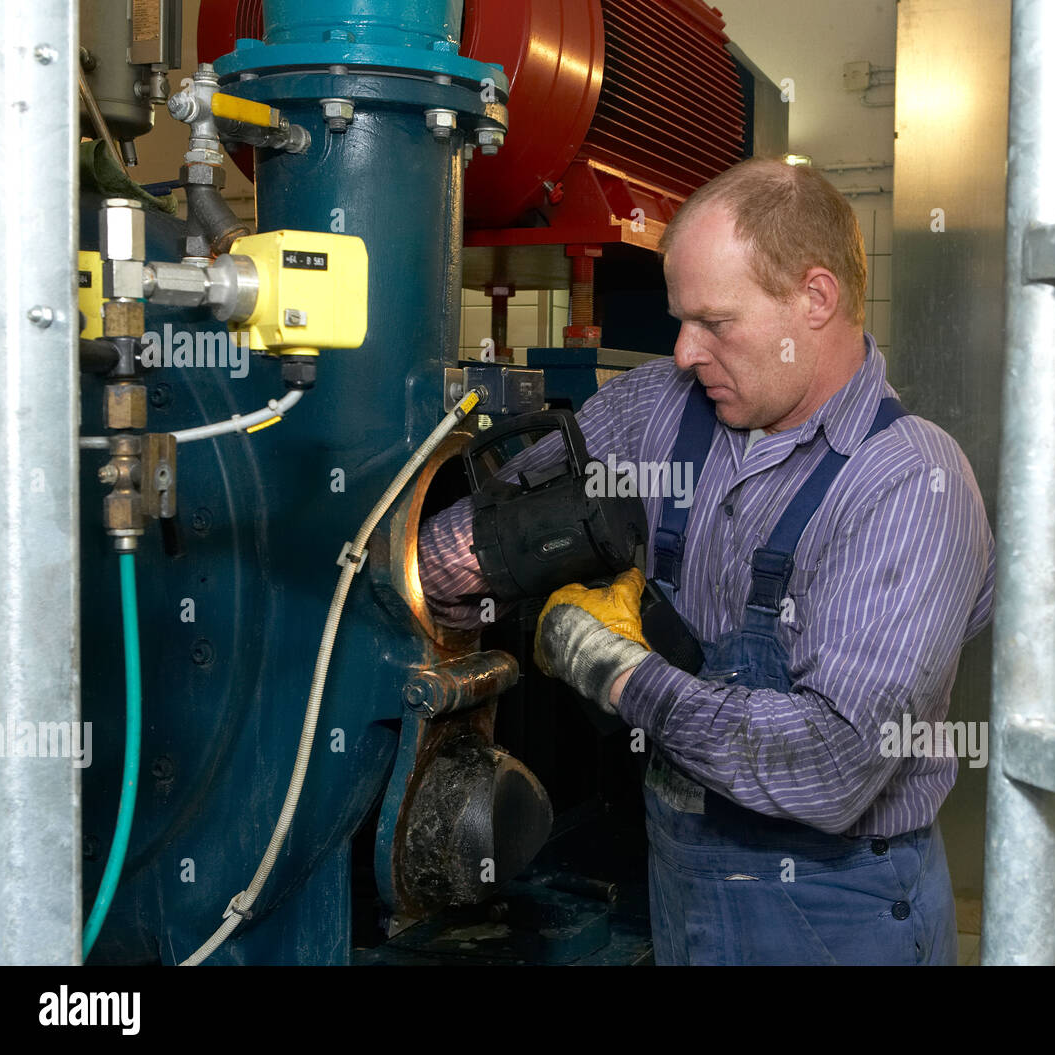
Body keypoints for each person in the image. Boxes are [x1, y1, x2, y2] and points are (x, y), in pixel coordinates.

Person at [418, 157, 995, 965]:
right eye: (679, 320)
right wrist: (423, 573)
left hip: (836, 910)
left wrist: (616, 670)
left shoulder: (912, 483)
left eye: (715, 322)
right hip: (679, 873)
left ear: (816, 300)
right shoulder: (655, 411)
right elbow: (481, 535)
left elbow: (832, 764)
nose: (685, 351)